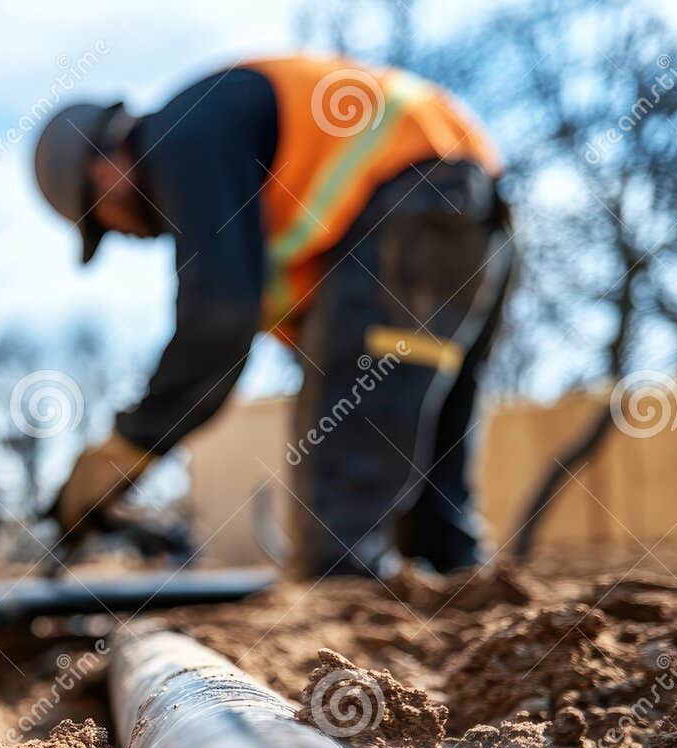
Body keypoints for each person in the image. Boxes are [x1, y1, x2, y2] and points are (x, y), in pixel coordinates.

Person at [33, 56, 513, 578]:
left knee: (339, 528)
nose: (126, 236)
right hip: (471, 212)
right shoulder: (220, 142)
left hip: (414, 204)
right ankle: (467, 608)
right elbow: (270, 312)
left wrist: (128, 446)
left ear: (103, 174)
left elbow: (217, 323)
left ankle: (345, 636)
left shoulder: (175, 143)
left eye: (102, 223)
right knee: (433, 498)